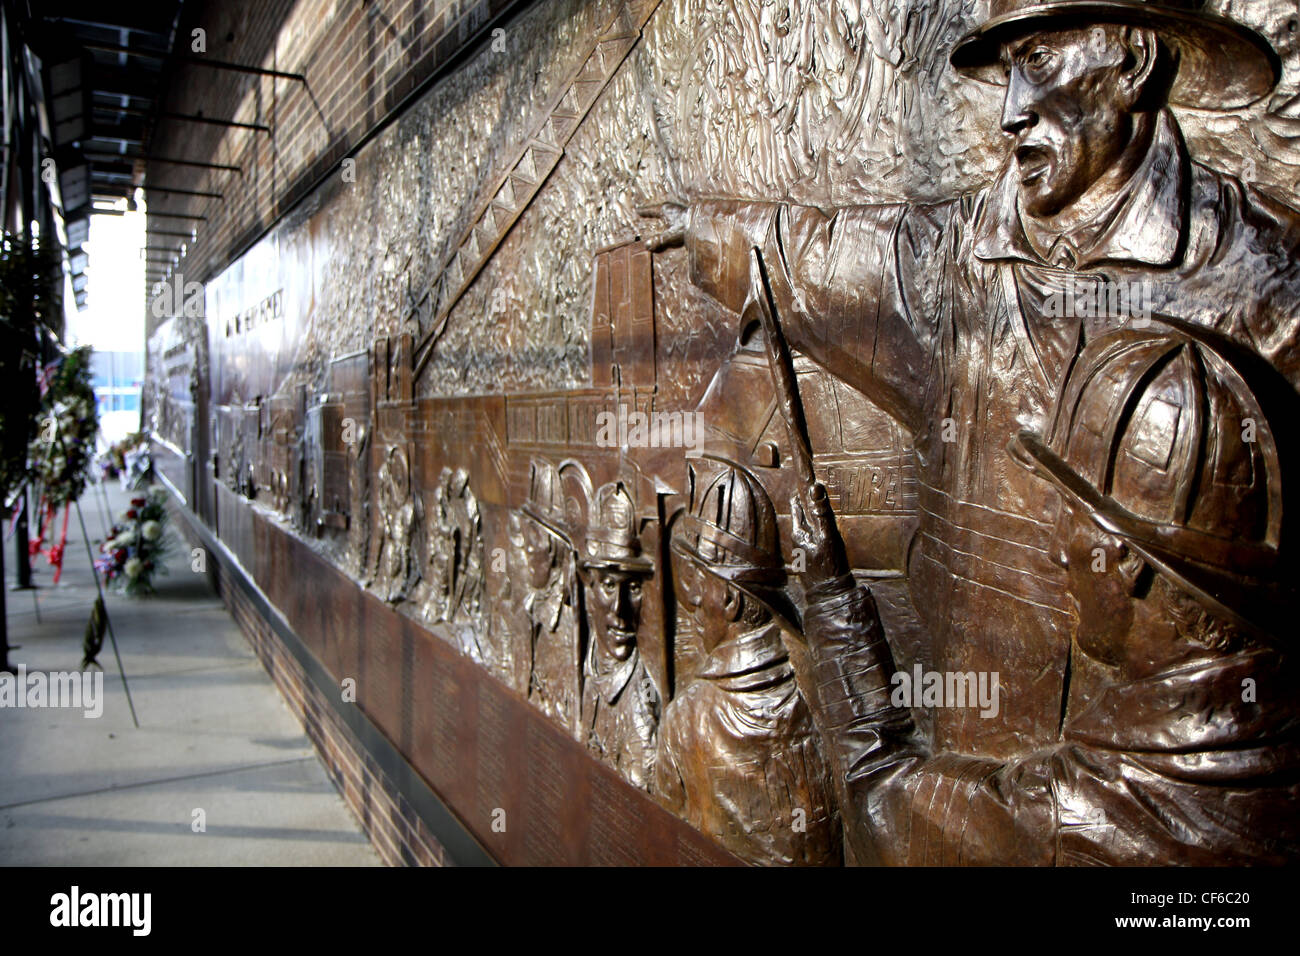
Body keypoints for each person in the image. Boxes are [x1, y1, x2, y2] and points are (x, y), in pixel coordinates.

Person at [647, 0, 1300, 760]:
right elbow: (811, 258)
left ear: (1135, 64)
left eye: (1043, 62)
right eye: (1010, 71)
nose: (1012, 114)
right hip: (973, 761)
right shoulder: (959, 258)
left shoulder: (1265, 281)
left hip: (1170, 791)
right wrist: (708, 229)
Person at [787, 318, 1300, 865]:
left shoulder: (1088, 812)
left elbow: (880, 802)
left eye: (1072, 517)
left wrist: (830, 597)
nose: (1058, 550)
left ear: (1126, 560)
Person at [658, 459, 841, 866]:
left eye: (697, 583)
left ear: (729, 598)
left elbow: (662, 837)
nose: (690, 602)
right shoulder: (819, 695)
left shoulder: (685, 722)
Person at [577, 482, 660, 790]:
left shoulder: (642, 712)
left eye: (634, 588)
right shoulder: (588, 666)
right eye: (609, 585)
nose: (620, 609)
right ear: (589, 587)